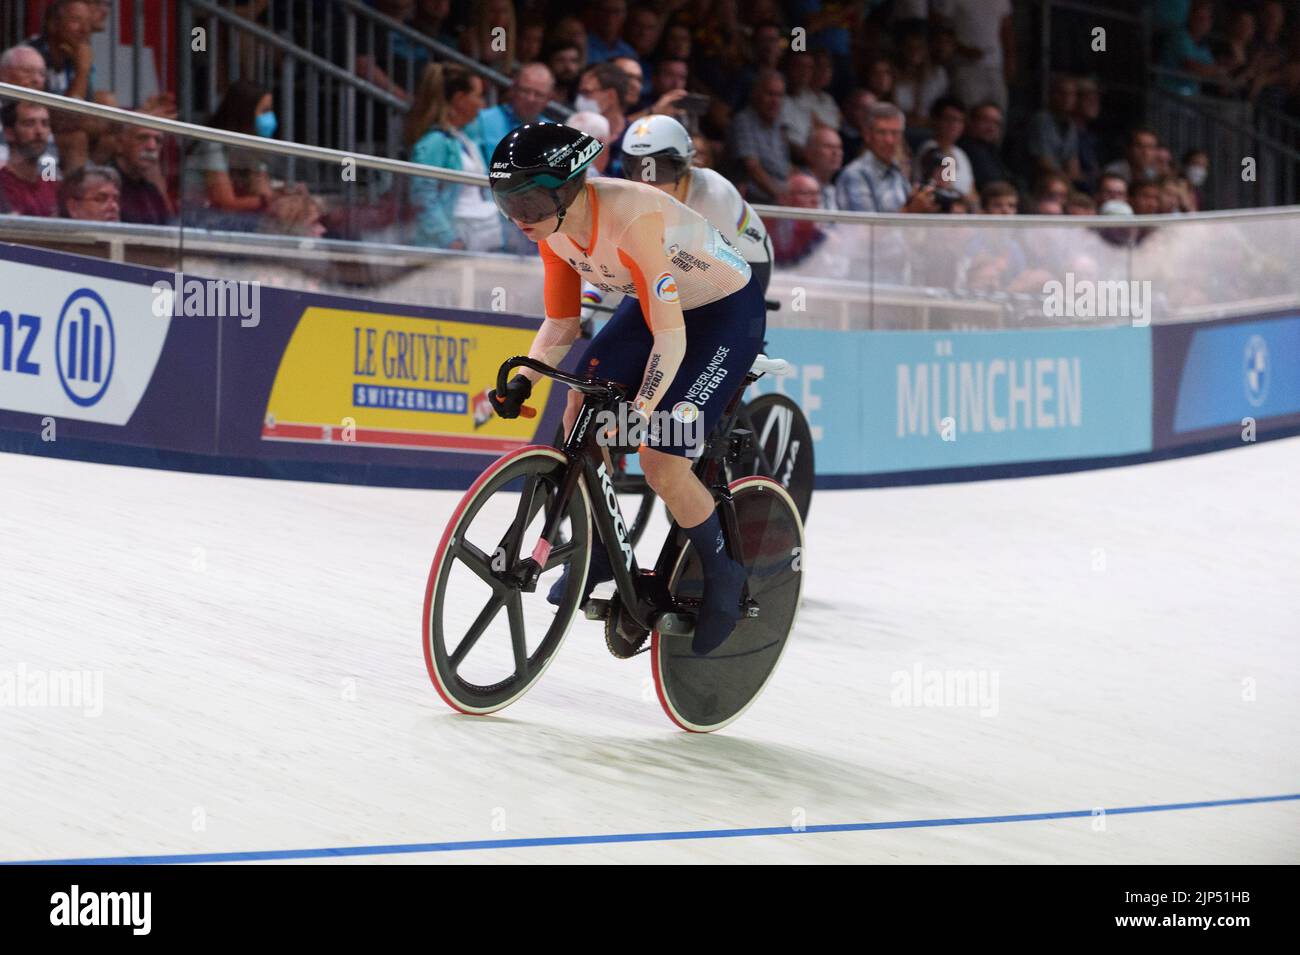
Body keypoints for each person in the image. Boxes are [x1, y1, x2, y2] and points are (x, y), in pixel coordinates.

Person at [488, 124, 765, 655]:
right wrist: (525, 379)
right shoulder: (551, 228)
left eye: (529, 202)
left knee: (663, 460)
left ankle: (723, 572)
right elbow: (562, 323)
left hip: (723, 314)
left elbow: (671, 338)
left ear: (568, 190)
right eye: (507, 203)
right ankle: (599, 549)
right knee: (579, 408)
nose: (519, 218)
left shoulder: (630, 219)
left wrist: (641, 410)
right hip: (657, 306)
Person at [582, 113, 771, 322]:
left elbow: (724, 273)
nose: (648, 182)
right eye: (637, 168)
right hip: (687, 259)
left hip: (747, 261)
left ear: (684, 167)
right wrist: (585, 311)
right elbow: (611, 257)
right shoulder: (633, 195)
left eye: (660, 170)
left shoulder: (712, 194)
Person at [405, 63, 502, 251]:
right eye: (478, 96)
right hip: (452, 245)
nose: (482, 104)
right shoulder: (434, 142)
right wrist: (448, 240)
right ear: (460, 99)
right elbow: (423, 198)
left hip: (478, 237)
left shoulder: (464, 138)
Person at [0, 101, 59, 217]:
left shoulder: (52, 185)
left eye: (45, 124)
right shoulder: (2, 183)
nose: (39, 131)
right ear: (8, 132)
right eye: (29, 124)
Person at [109, 123, 173, 225]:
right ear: (120, 144)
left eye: (158, 141)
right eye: (143, 138)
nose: (152, 147)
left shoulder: (152, 191)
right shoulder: (104, 186)